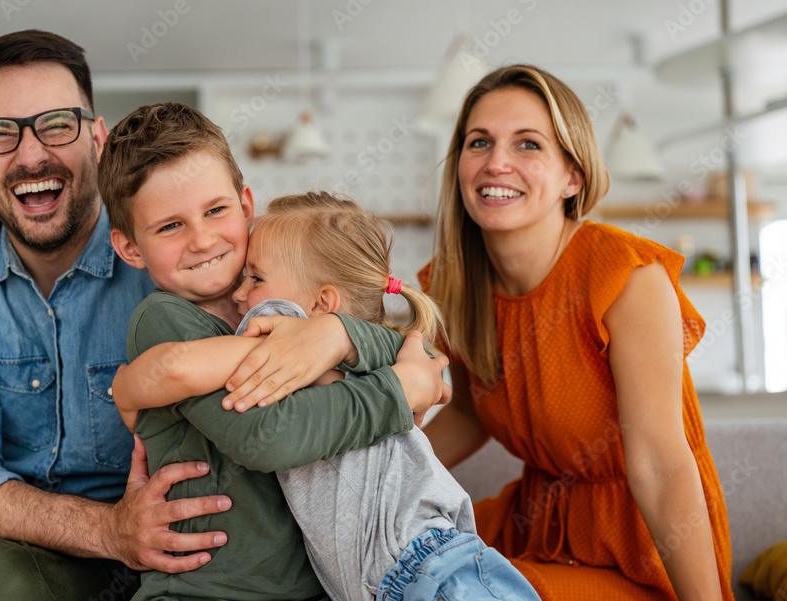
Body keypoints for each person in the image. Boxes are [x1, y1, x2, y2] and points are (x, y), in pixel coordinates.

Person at [0, 30, 358, 601]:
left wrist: (342, 334)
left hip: (124, 540)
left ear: (97, 137)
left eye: (56, 124)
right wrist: (108, 531)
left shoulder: (174, 246)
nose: (30, 154)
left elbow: (330, 304)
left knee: (0, 582)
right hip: (18, 519)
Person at [98, 102, 452, 601]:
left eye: (215, 210)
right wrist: (394, 391)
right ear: (131, 247)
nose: (201, 240)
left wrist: (338, 335)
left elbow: (437, 374)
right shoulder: (165, 322)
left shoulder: (290, 301)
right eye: (169, 227)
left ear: (245, 205)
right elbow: (267, 440)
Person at [116, 190, 543, 601]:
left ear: (321, 304)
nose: (240, 294)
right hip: (404, 575)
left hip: (430, 565)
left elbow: (188, 369)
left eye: (257, 277)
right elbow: (421, 357)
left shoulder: (282, 325)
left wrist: (133, 386)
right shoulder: (367, 353)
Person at [418, 64, 734, 600]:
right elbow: (470, 411)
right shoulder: (452, 285)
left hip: (641, 554)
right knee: (388, 566)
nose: (497, 162)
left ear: (574, 176)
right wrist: (372, 481)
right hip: (539, 527)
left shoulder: (624, 275)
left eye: (527, 145)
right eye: (479, 142)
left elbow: (660, 464)